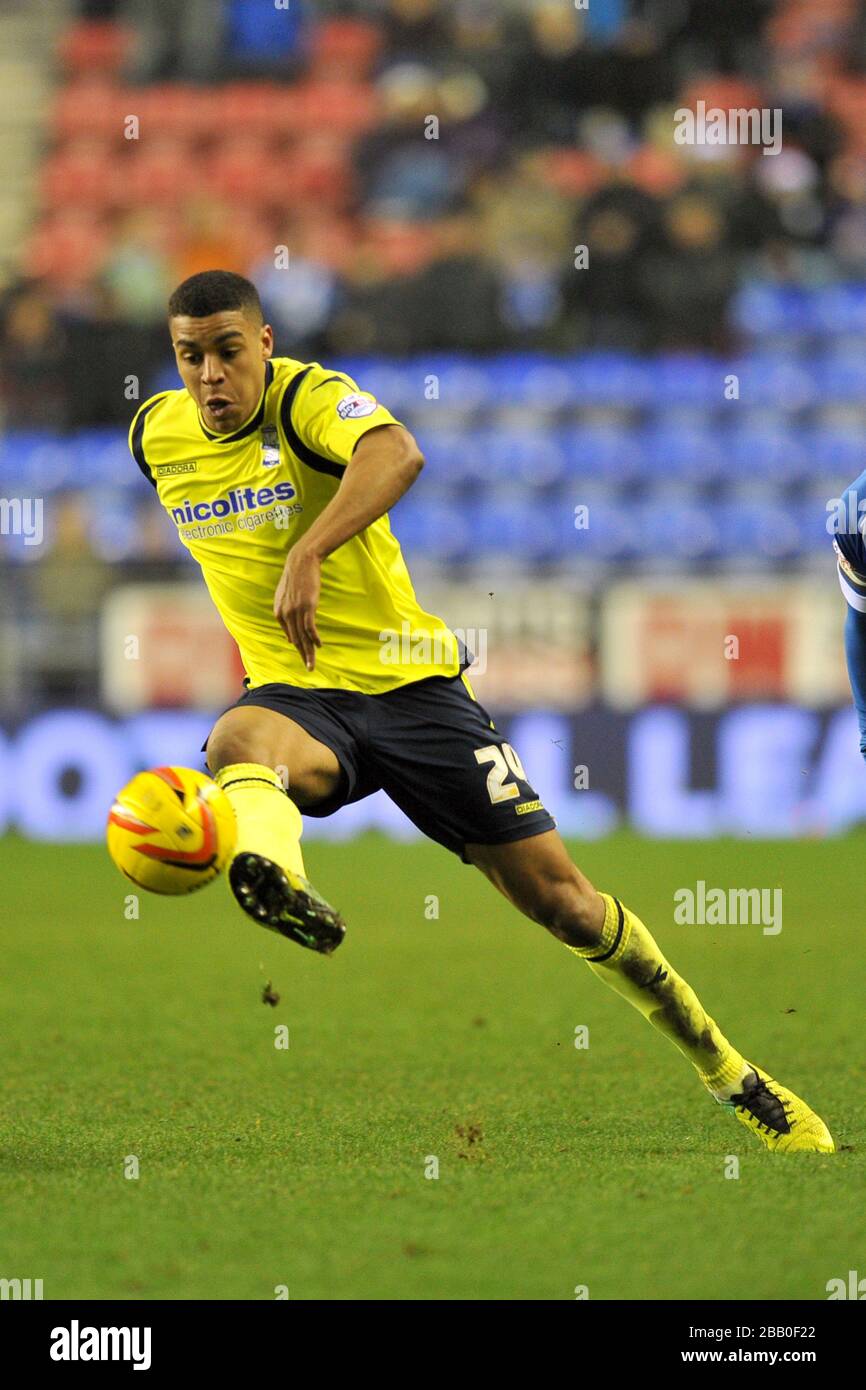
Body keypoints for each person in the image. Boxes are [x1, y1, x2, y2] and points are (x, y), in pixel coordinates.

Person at [129, 269, 833, 1154]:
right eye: (190, 357)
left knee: (568, 906)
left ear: (264, 344)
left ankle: (734, 1076)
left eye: (229, 351)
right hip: (298, 695)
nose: (209, 376)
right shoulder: (154, 435)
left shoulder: (309, 397)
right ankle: (280, 879)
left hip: (416, 693)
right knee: (239, 739)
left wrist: (309, 547)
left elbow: (398, 454)